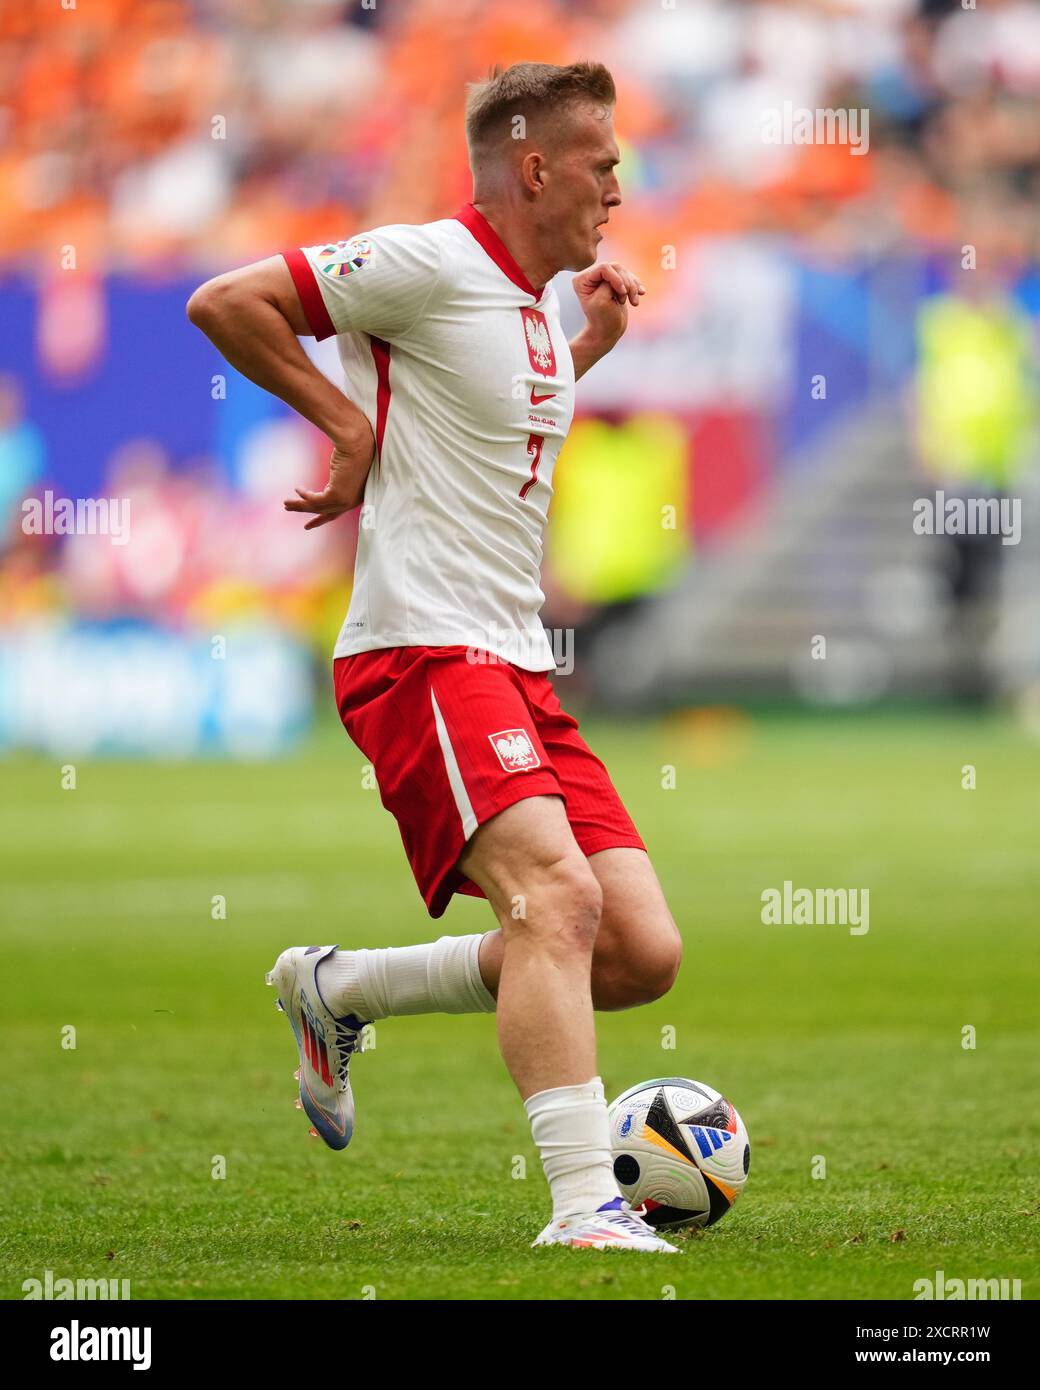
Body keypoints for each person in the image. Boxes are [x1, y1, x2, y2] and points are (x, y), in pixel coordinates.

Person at [187, 60, 683, 1252]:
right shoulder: (424, 262)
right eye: (602, 164)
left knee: (634, 949)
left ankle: (339, 988)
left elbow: (484, 411)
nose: (618, 187)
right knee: (554, 902)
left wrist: (589, 346)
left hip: (512, 662)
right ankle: (582, 1207)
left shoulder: (524, 307)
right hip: (422, 650)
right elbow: (225, 300)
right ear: (533, 167)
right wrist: (344, 421)